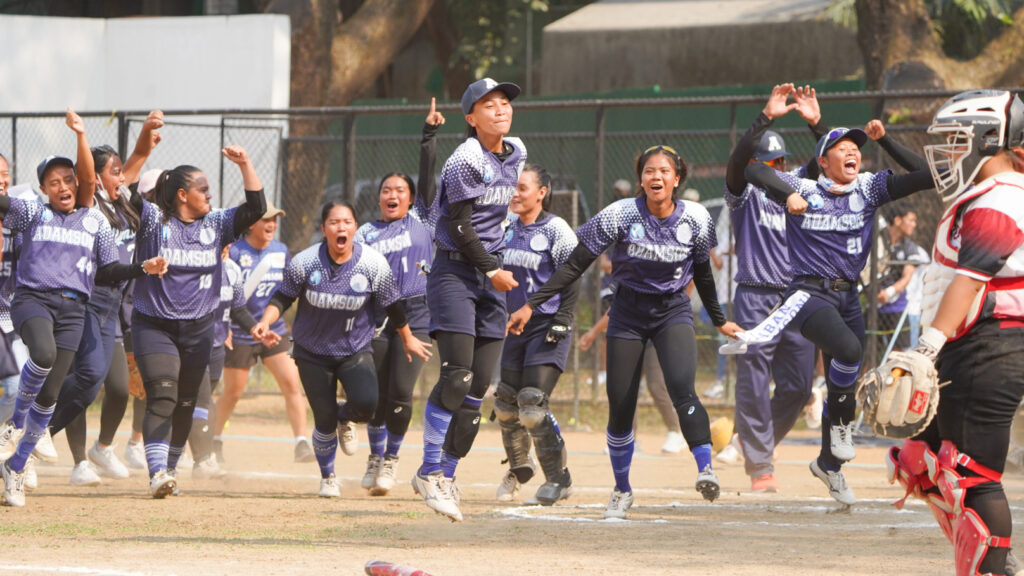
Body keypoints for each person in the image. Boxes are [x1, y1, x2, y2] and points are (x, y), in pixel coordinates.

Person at [509, 145, 743, 519]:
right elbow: (574, 265)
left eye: (665, 171)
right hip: (628, 313)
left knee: (682, 388)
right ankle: (622, 489)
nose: (656, 177)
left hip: (672, 312)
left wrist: (718, 318)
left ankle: (705, 469)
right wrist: (530, 304)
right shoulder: (619, 214)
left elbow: (703, 274)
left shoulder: (697, 218)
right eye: (649, 171)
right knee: (621, 403)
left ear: (677, 179)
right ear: (641, 179)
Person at [744, 106, 934, 505]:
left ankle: (829, 463)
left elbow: (926, 174)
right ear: (822, 161)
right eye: (842, 148)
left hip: (850, 294)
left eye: (857, 148)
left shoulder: (866, 188)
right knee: (847, 352)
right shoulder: (807, 187)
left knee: (843, 376)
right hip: (807, 292)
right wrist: (789, 193)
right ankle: (841, 430)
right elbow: (753, 171)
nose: (853, 153)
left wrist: (884, 140)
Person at [886, 89, 1024, 576]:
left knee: (970, 473)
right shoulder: (983, 193)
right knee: (919, 459)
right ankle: (995, 564)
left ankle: (992, 567)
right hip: (969, 342)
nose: (947, 152)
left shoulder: (1003, 192)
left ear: (990, 140)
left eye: (956, 140)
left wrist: (928, 346)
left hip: (993, 341)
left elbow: (974, 274)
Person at [0, 110, 167, 506]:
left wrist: (142, 267)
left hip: (75, 309)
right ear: (43, 188)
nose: (63, 185)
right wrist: (81, 134)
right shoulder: (33, 212)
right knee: (42, 354)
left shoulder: (93, 220)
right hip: (33, 301)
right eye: (53, 181)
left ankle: (15, 469)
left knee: (52, 394)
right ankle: (13, 426)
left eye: (68, 179)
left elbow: (109, 270)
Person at [250, 200, 431, 499]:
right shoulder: (305, 262)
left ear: (355, 228)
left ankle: (344, 418)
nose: (341, 227)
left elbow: (392, 305)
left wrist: (408, 337)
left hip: (354, 349)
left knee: (368, 403)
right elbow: (282, 298)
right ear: (324, 229)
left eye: (347, 222)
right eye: (334, 222)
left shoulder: (372, 263)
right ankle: (328, 477)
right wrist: (265, 322)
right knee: (322, 419)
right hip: (312, 351)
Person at [412, 78, 524, 522]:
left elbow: (496, 213)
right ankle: (427, 472)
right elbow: (458, 226)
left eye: (505, 103)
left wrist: (495, 263)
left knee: (479, 386)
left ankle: (448, 474)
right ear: (471, 118)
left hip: (487, 273)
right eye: (489, 105)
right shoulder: (465, 159)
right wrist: (492, 269)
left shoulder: (517, 151)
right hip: (457, 270)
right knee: (456, 375)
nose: (501, 110)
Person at [128, 144, 267, 498]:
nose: (209, 194)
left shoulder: (217, 224)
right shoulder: (153, 222)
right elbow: (124, 190)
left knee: (187, 401)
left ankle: (170, 467)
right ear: (181, 194)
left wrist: (246, 163)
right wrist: (144, 142)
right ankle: (157, 471)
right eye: (202, 189)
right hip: (154, 324)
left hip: (199, 328)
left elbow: (256, 208)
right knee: (162, 394)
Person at [47, 111, 164, 486]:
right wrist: (81, 134)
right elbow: (85, 173)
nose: (122, 176)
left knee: (117, 386)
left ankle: (102, 447)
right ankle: (74, 457)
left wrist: (148, 128)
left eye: (120, 171)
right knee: (84, 380)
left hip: (113, 304)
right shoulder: (88, 200)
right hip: (85, 301)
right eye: (114, 171)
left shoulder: (119, 198)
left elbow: (140, 156)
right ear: (98, 177)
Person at [720, 84, 826, 492]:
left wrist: (817, 125)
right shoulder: (743, 194)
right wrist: (764, 118)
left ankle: (754, 443)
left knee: (799, 389)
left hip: (797, 297)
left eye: (782, 159)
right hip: (755, 296)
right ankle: (760, 466)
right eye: (769, 161)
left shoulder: (799, 185)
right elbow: (737, 164)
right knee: (752, 380)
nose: (777, 166)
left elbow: (827, 163)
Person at [356, 100, 442, 496]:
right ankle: (375, 457)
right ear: (379, 199)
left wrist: (429, 136)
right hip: (375, 316)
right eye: (387, 190)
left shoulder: (422, 220)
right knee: (375, 393)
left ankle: (390, 459)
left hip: (417, 311)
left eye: (400, 190)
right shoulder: (365, 234)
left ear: (409, 199)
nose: (393, 195)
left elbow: (427, 181)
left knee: (402, 391)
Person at [493, 162, 578, 505]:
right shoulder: (506, 227)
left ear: (541, 193)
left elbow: (571, 275)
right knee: (505, 406)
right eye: (512, 187)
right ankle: (519, 467)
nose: (515, 193)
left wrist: (564, 319)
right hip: (516, 325)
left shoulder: (557, 230)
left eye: (522, 187)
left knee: (531, 405)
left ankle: (560, 480)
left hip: (546, 323)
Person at [214, 200, 313, 464]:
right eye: (265, 219)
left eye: (274, 220)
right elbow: (222, 290)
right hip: (240, 331)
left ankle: (301, 442)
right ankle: (213, 440)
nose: (271, 225)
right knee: (233, 392)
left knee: (292, 383)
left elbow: (289, 291)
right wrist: (224, 325)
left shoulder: (281, 251)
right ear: (251, 223)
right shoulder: (234, 252)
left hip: (273, 331)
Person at [578, 253, 686, 455]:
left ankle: (675, 433)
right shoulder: (625, 280)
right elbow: (613, 310)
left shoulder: (658, 277)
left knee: (656, 385)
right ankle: (629, 439)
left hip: (655, 337)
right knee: (627, 389)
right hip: (632, 336)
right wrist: (593, 333)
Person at [875, 201, 929, 351]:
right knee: (865, 352)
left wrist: (889, 292)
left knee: (898, 353)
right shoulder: (876, 239)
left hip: (896, 306)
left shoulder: (910, 247)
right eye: (911, 220)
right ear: (898, 220)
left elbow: (907, 276)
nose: (914, 225)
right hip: (872, 304)